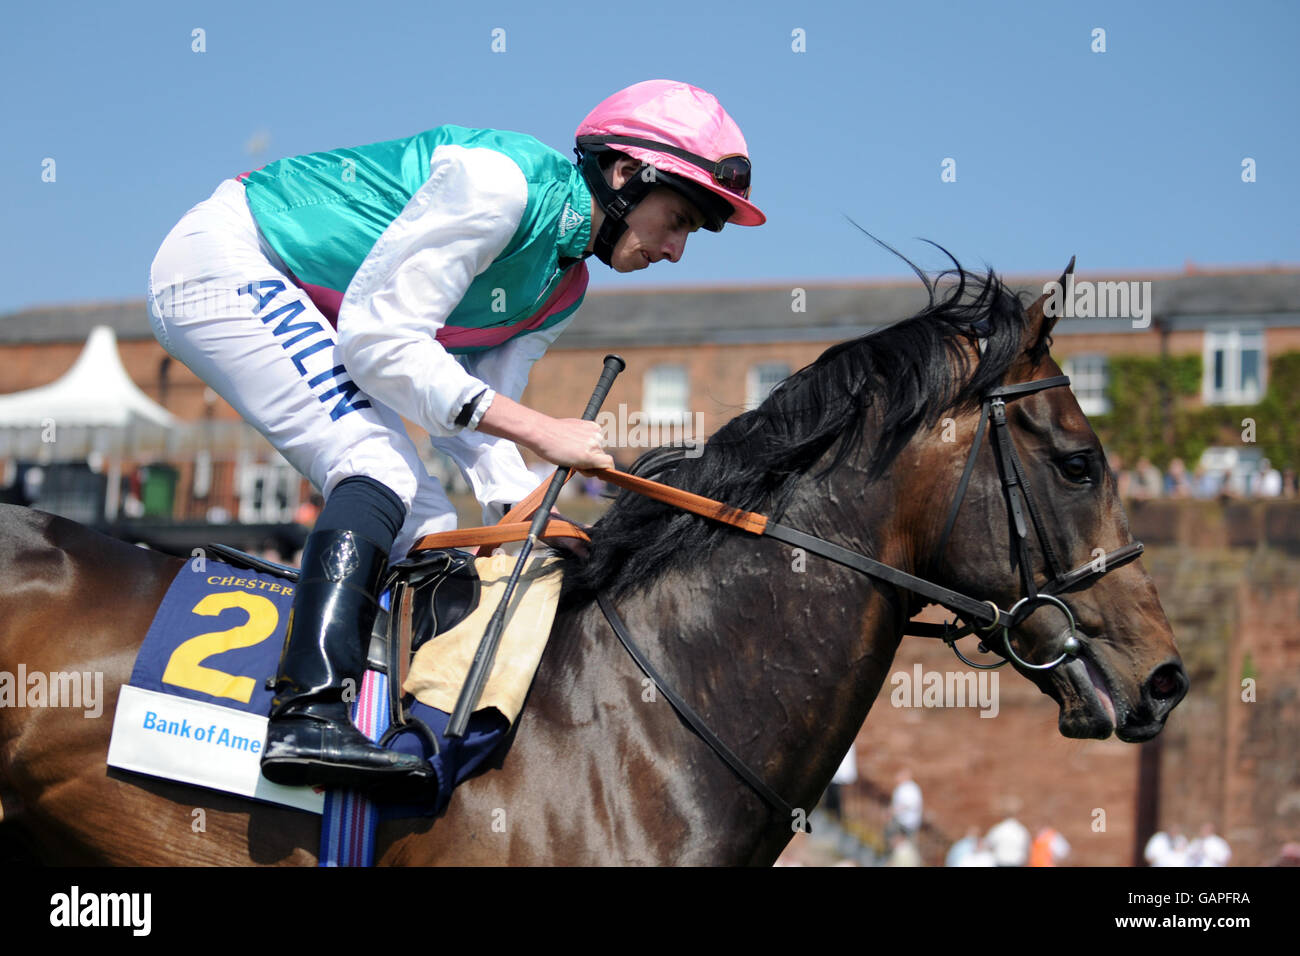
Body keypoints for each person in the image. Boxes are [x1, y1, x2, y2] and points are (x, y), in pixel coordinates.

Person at [146, 80, 765, 796]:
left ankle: (397, 726)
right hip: (227, 261)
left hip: (309, 302)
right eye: (679, 219)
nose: (677, 250)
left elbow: (475, 423)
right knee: (375, 465)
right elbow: (379, 345)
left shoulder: (562, 290)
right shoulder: (497, 184)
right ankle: (305, 713)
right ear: (628, 176)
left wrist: (535, 512)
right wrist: (544, 432)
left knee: (431, 524)